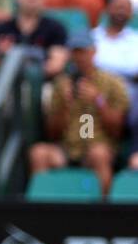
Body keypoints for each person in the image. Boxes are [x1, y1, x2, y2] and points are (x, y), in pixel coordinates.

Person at [30, 32, 129, 196]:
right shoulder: (61, 84)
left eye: (83, 51)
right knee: (39, 152)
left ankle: (104, 212)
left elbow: (117, 131)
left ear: (93, 51)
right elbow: (52, 133)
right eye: (75, 52)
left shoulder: (113, 83)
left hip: (96, 148)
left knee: (99, 153)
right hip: (67, 149)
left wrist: (98, 101)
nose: (79, 57)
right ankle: (41, 213)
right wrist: (64, 106)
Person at [0, 0, 69, 77]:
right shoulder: (0, 29)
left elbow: (56, 65)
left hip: (42, 85)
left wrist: (27, 70)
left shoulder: (55, 29)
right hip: (7, 86)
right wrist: (0, 56)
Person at [91, 0, 138, 140]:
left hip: (129, 91)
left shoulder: (135, 40)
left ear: (131, 13)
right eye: (117, 7)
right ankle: (82, 145)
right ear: (108, 8)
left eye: (125, 8)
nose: (120, 11)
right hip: (95, 88)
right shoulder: (92, 36)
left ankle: (132, 151)